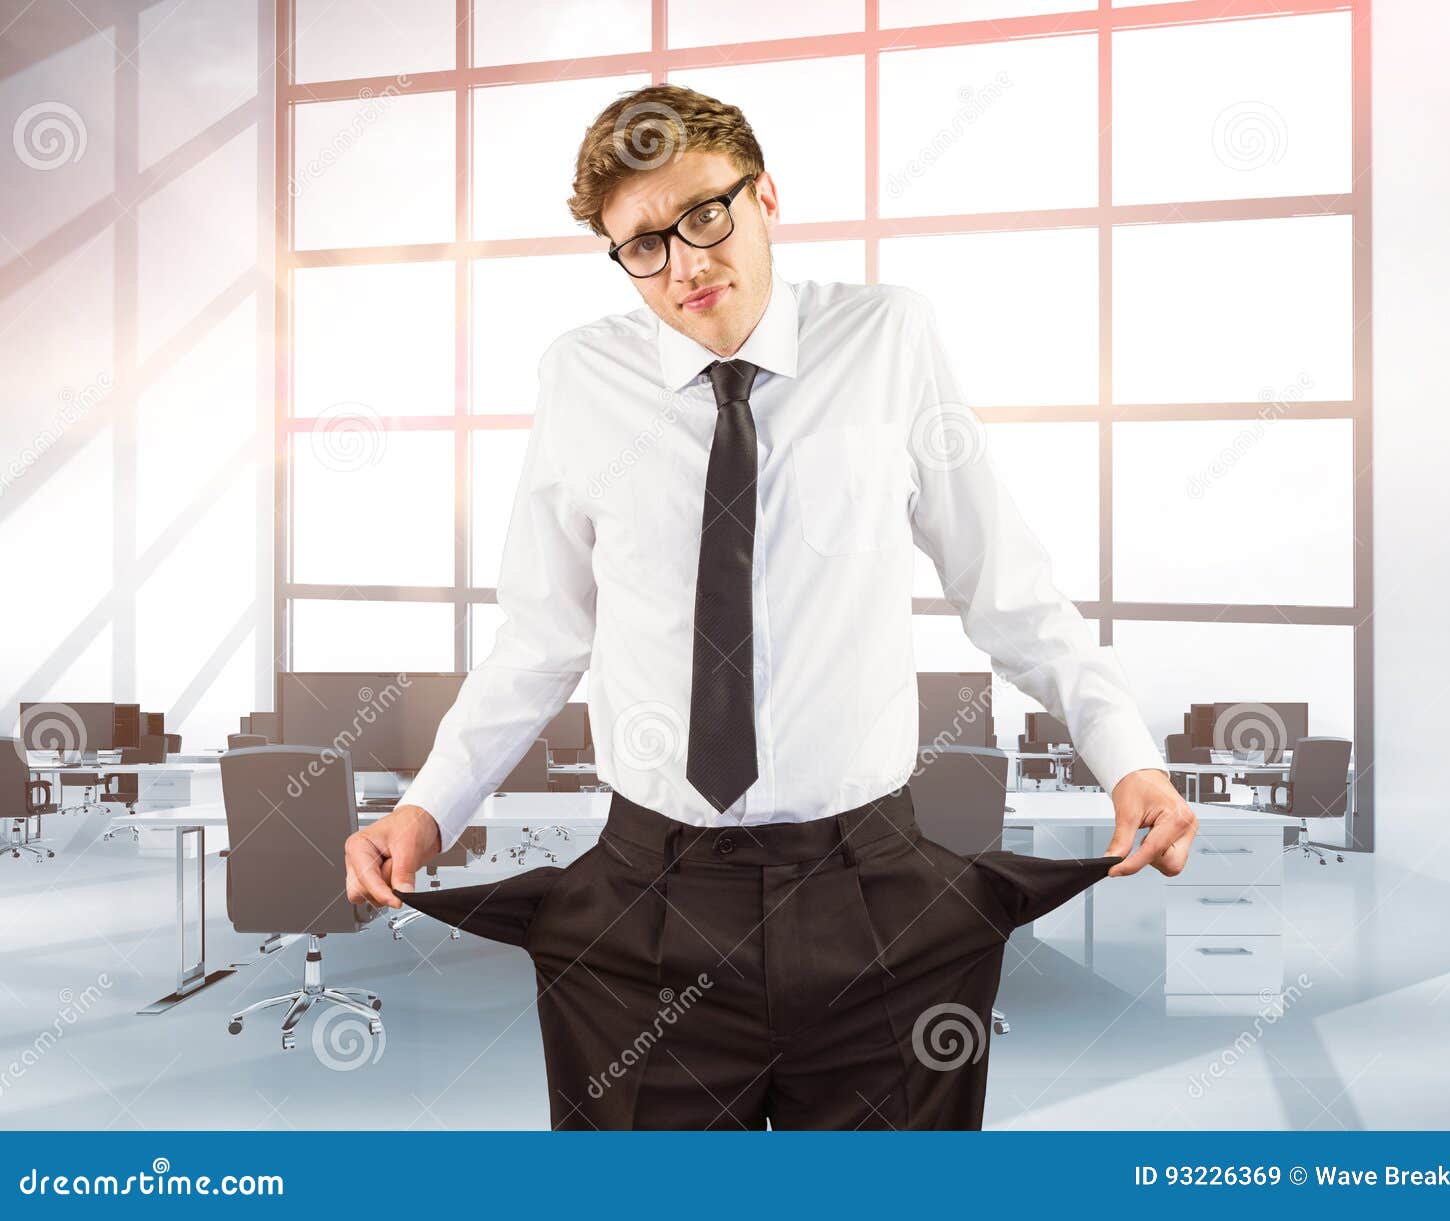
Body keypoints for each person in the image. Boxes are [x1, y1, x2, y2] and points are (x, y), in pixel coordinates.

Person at [346, 84, 1196, 1129]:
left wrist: (1129, 757)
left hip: (872, 895)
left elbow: (1004, 588)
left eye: (705, 215)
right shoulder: (580, 377)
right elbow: (544, 631)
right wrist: (429, 807)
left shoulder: (887, 338)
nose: (687, 264)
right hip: (649, 900)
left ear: (766, 196)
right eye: (643, 245)